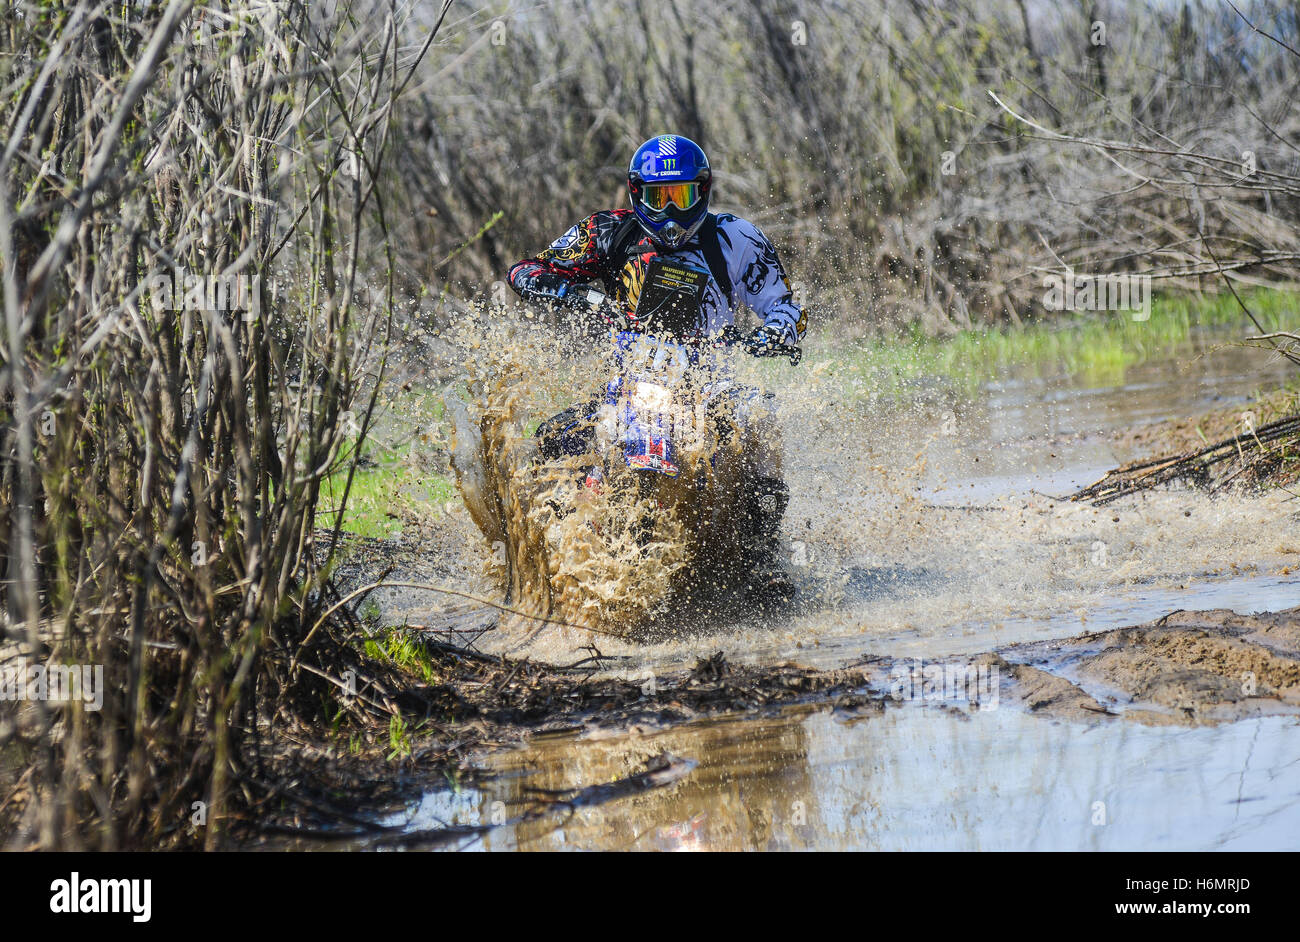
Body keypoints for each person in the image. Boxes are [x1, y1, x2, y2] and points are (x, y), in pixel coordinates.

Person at [506, 134, 806, 595]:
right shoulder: (606, 232)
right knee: (545, 447)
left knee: (764, 420)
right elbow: (526, 271)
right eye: (657, 198)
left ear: (702, 191)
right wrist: (581, 295)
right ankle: (558, 568)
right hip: (634, 387)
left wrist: (776, 333)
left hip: (712, 387)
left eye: (680, 197)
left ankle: (760, 557)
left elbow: (785, 306)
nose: (668, 213)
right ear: (635, 192)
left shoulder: (735, 238)